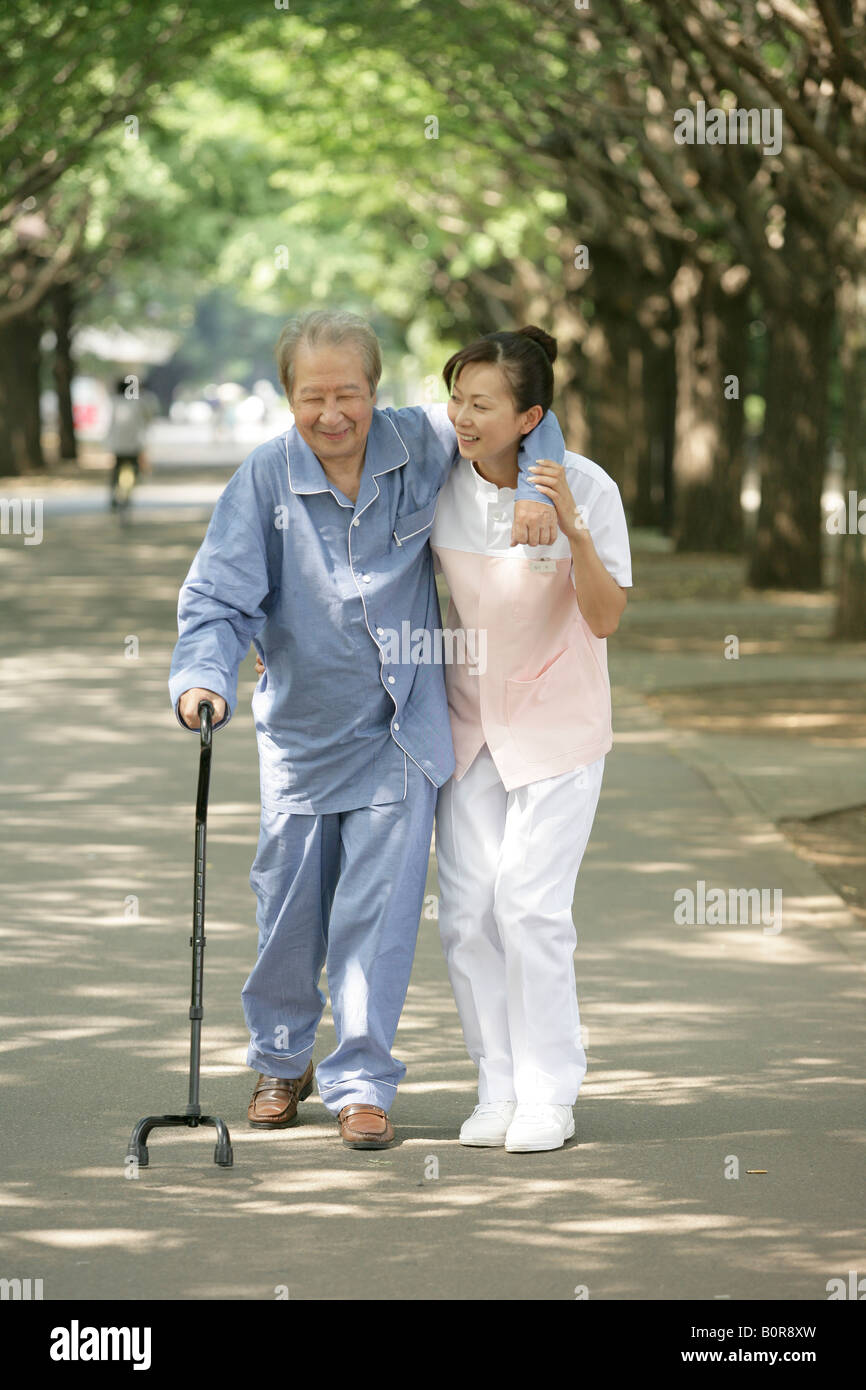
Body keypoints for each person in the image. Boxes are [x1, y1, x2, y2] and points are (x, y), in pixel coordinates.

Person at [168, 309, 564, 1150]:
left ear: (377, 394)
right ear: (288, 398)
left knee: (377, 918)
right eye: (313, 397)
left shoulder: (419, 442)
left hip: (399, 734)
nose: (332, 414)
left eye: (349, 393)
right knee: (290, 910)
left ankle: (359, 1080)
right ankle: (282, 1058)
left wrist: (538, 485)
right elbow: (217, 597)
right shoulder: (263, 480)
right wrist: (203, 675)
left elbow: (523, 409)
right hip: (303, 738)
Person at [430, 326, 632, 1153]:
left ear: (531, 417)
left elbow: (607, 616)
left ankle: (551, 1093)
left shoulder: (586, 485)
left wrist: (571, 526)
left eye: (483, 404)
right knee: (468, 913)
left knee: (529, 906)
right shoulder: (439, 475)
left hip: (557, 726)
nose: (463, 417)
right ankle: (498, 1082)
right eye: (457, 400)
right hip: (469, 723)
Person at [106, 376, 152, 512]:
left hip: (118, 443)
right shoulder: (138, 402)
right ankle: (127, 494)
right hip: (134, 443)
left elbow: (109, 424)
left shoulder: (114, 402)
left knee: (116, 470)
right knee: (132, 469)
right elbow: (148, 418)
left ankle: (114, 494)